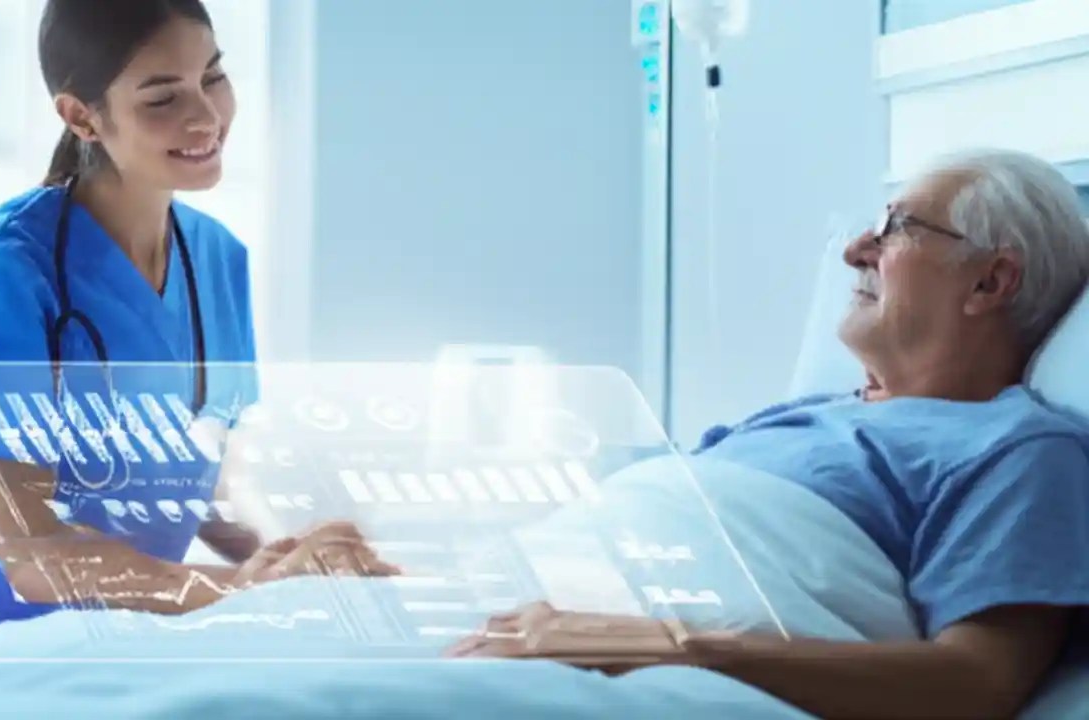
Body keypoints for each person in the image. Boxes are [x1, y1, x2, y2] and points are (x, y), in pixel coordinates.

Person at [447, 149, 1089, 719]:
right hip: (512, 620)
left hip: (640, 668)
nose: (854, 249)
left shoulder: (1019, 448)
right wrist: (388, 567)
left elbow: (974, 685)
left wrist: (655, 645)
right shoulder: (804, 415)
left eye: (897, 227)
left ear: (990, 281)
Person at [0, 0, 395, 644]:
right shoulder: (7, 274)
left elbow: (195, 485)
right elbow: (32, 551)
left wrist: (288, 560)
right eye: (161, 98)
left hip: (123, 636)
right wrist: (233, 589)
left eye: (213, 77)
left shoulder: (216, 259)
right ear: (81, 116)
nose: (206, 116)